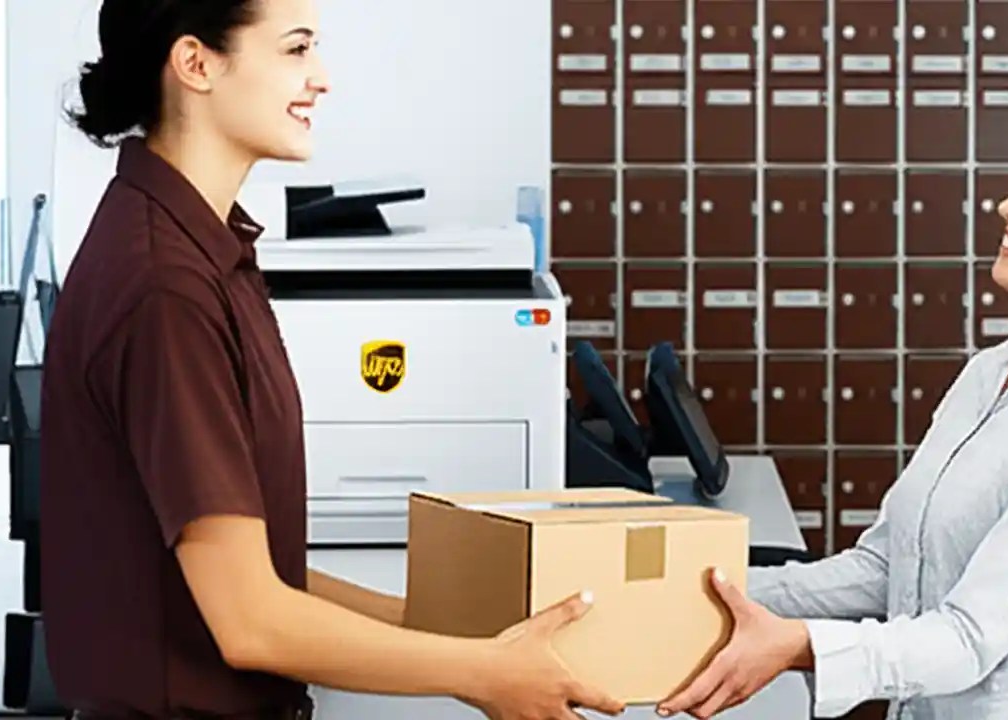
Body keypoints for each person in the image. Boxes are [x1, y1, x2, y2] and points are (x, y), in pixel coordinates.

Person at [38, 1, 625, 719]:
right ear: (195, 64)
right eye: (295, 49)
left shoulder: (204, 248)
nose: (321, 78)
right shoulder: (166, 289)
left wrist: (465, 635)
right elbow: (252, 622)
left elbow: (262, 580)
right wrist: (480, 672)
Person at [655, 115, 1008, 720]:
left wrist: (800, 646)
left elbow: (970, 638)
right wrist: (712, 594)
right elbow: (888, 567)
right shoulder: (987, 373)